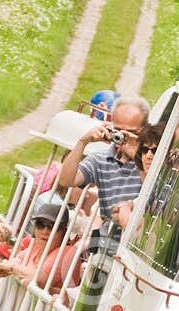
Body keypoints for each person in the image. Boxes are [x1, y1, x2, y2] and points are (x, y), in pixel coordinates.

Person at [54, 96, 149, 238]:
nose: (122, 137)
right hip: (105, 240)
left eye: (131, 132)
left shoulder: (151, 158)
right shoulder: (100, 159)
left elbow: (156, 191)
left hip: (136, 241)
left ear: (145, 130)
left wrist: (138, 155)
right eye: (118, 130)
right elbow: (66, 180)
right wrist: (83, 141)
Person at [113, 122, 164, 230]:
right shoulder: (147, 185)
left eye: (155, 151)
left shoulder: (163, 187)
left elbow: (130, 226)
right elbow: (114, 214)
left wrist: (124, 208)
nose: (149, 156)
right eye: (144, 150)